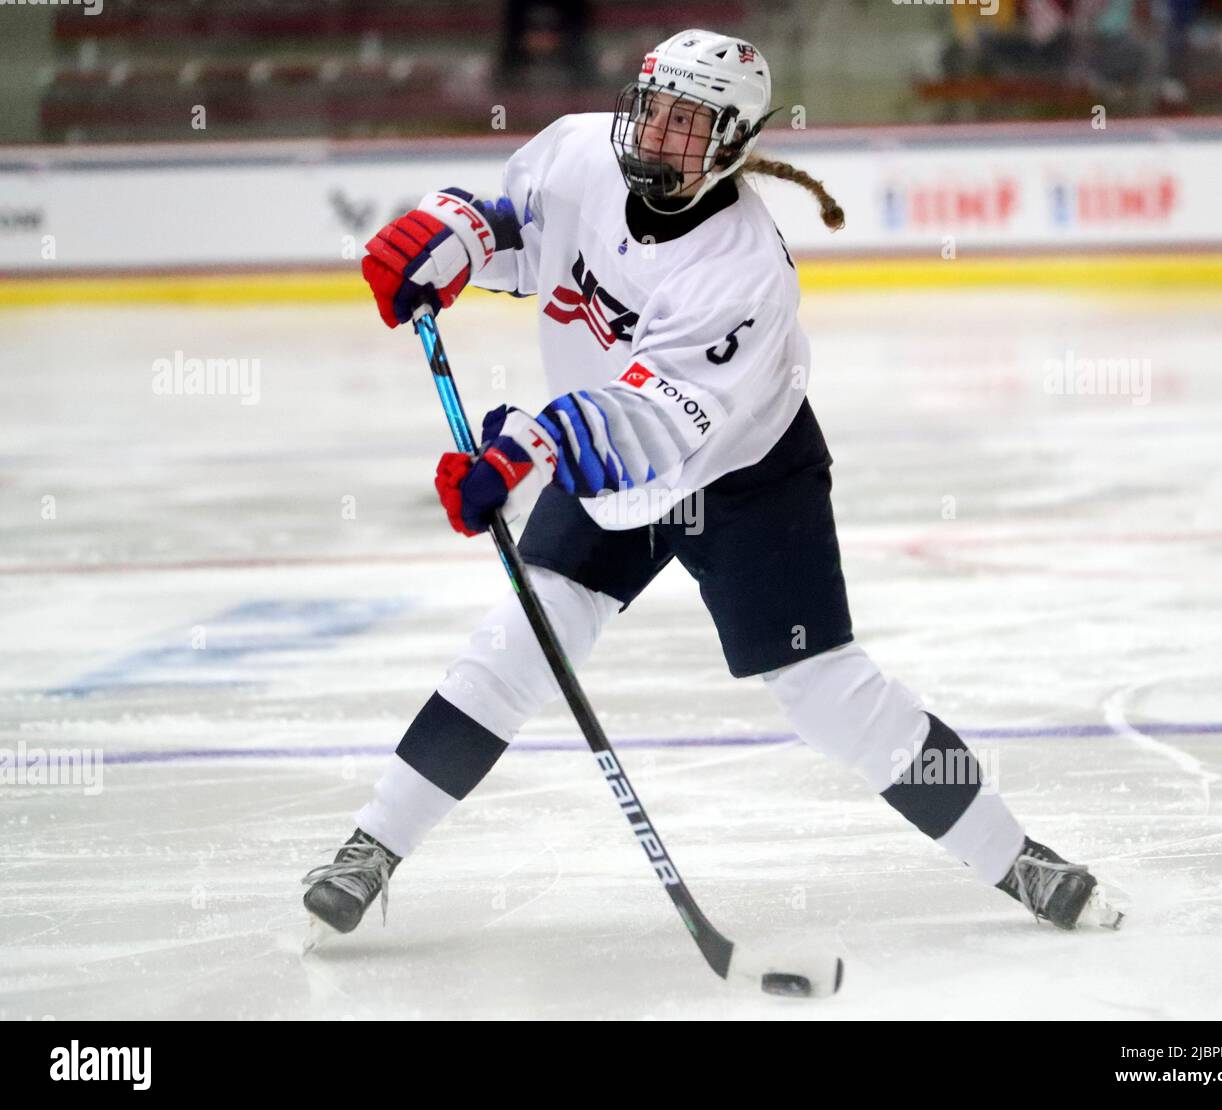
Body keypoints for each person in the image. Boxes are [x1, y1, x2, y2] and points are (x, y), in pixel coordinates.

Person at [302, 29, 1121, 947]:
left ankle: (1016, 856)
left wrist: (521, 455)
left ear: (731, 141)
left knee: (827, 694)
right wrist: (448, 243)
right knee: (517, 645)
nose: (655, 134)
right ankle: (371, 848)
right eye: (652, 108)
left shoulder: (743, 268)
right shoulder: (580, 151)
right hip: (595, 452)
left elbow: (652, 424)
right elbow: (521, 235)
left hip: (745, 478)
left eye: (686, 123)